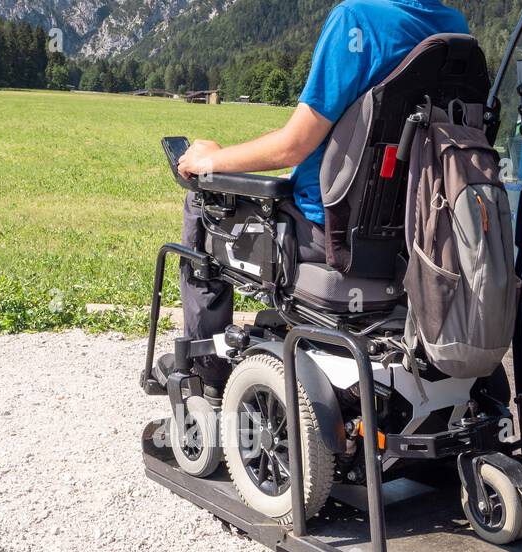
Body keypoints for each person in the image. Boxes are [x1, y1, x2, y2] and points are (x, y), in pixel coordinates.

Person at [174, 0, 469, 392]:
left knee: (203, 201)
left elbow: (292, 146)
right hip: (412, 236)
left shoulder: (357, 20)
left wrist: (211, 160)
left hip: (327, 231)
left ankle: (206, 377)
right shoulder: (454, 29)